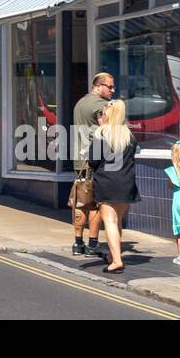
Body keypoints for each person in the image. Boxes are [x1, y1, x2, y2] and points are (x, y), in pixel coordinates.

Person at [89, 98, 139, 274]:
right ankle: (112, 255)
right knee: (117, 222)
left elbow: (93, 161)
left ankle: (117, 260)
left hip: (107, 182)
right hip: (126, 183)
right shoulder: (129, 135)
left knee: (109, 222)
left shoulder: (102, 133)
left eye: (103, 112)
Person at [70, 72, 115, 257]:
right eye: (109, 86)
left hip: (79, 161)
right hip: (95, 161)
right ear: (98, 86)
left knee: (80, 202)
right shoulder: (100, 104)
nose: (113, 90)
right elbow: (106, 131)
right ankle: (92, 245)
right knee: (95, 204)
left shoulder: (80, 103)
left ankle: (77, 243)